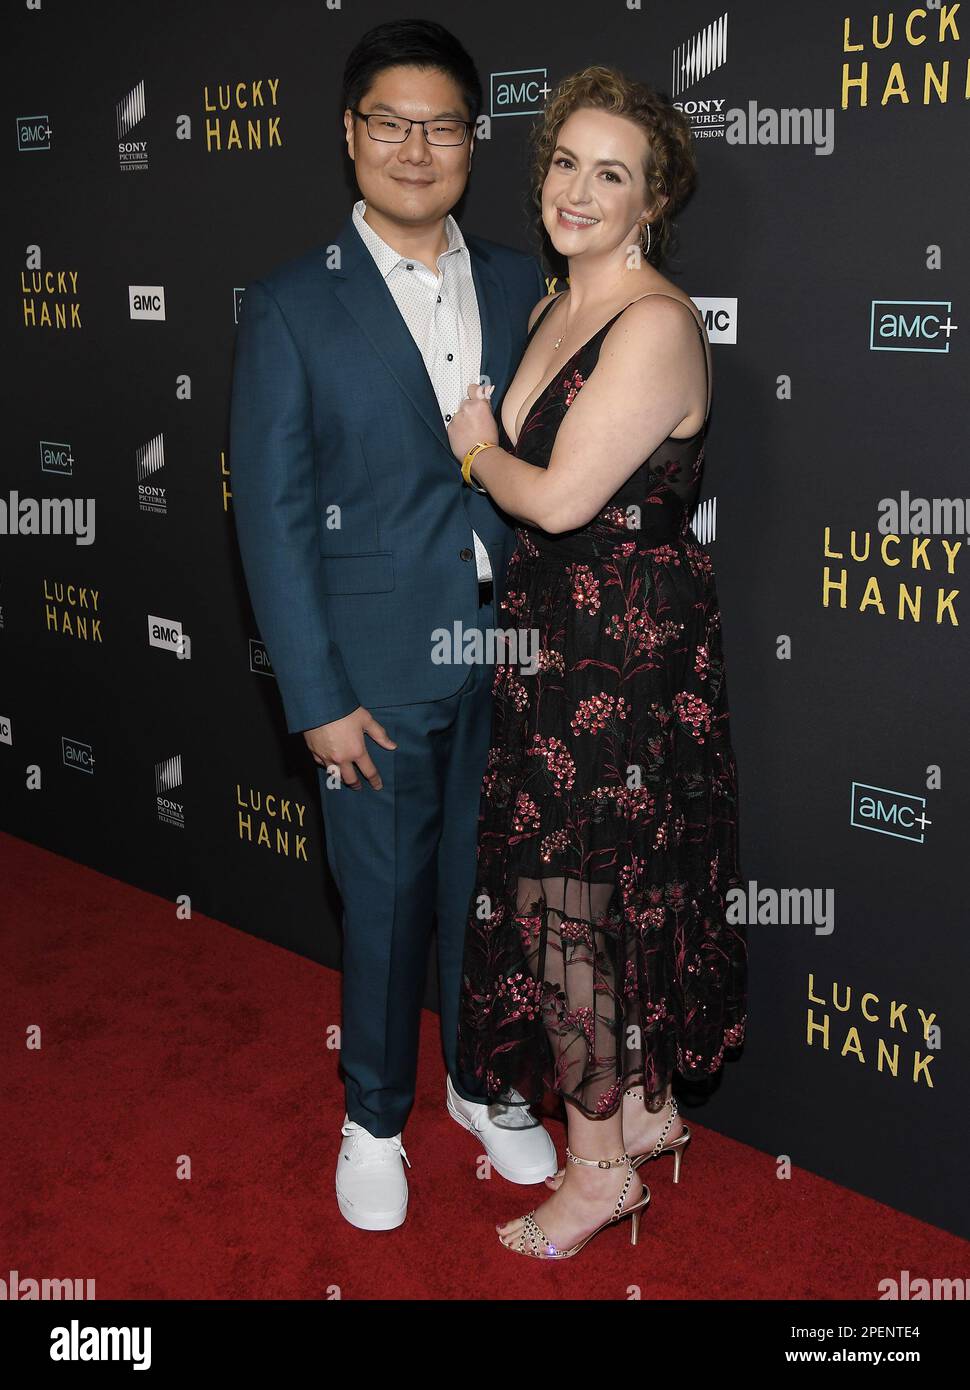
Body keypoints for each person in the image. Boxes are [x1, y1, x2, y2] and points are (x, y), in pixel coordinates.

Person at [229, 19, 558, 1233]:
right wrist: (313, 697)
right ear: (349, 135)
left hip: (511, 653)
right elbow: (269, 519)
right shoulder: (288, 306)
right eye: (389, 122)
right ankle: (373, 1115)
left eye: (442, 124)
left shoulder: (531, 281)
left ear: (474, 138)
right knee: (381, 900)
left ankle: (479, 1083)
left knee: (492, 889)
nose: (416, 147)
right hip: (373, 667)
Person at [447, 64, 748, 1259]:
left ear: (652, 200)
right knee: (584, 888)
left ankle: (599, 1168)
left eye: (610, 173)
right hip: (554, 646)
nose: (577, 189)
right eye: (564, 161)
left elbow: (564, 496)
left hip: (621, 659)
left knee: (569, 897)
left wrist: (475, 450)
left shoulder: (657, 320)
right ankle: (646, 1108)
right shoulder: (547, 308)